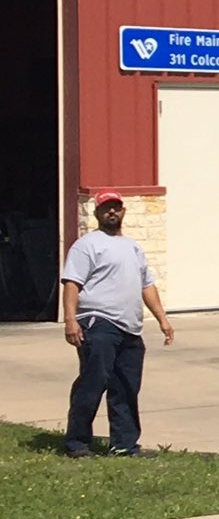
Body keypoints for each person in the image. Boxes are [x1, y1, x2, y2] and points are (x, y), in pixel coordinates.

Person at [61, 191, 173, 457]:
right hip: (98, 322)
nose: (112, 212)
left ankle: (124, 444)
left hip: (129, 328)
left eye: (116, 207)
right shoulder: (87, 245)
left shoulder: (133, 247)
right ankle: (77, 443)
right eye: (106, 208)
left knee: (126, 385)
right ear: (98, 213)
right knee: (93, 381)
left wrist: (163, 320)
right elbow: (72, 283)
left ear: (123, 212)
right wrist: (70, 321)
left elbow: (147, 285)